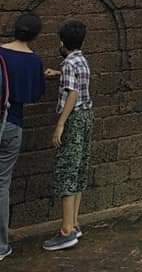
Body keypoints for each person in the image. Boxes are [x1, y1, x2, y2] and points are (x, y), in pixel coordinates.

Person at [43, 20, 93, 253]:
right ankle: (74, 222)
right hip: (87, 117)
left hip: (73, 119)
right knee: (79, 168)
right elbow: (75, 78)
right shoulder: (80, 60)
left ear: (62, 43)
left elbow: (72, 93)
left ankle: (66, 231)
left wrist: (60, 125)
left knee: (66, 170)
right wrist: (58, 73)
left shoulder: (69, 63)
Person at [0, 14, 46, 263]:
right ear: (36, 35)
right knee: (1, 184)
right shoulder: (34, 61)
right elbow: (35, 94)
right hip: (12, 124)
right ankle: (0, 245)